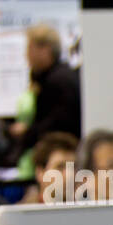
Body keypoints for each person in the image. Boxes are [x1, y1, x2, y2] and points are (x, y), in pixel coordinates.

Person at [12, 24, 81, 159]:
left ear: (45, 50)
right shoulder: (58, 76)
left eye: (30, 48)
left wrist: (28, 133)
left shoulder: (56, 82)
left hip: (63, 156)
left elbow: (55, 124)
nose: (26, 55)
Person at [20, 131, 79, 204]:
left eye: (74, 167)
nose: (70, 175)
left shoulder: (90, 211)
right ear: (40, 172)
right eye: (60, 167)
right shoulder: (19, 213)